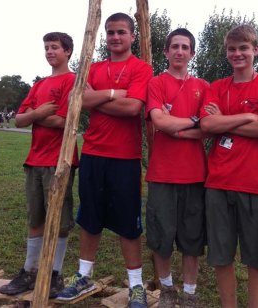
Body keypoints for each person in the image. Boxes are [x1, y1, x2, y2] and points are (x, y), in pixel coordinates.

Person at [55, 13, 153, 307]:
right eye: (110, 32)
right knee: (90, 217)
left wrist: (98, 98)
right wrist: (113, 93)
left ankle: (136, 285)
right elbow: (79, 100)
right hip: (94, 153)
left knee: (128, 223)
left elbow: (133, 107)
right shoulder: (94, 68)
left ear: (133, 36)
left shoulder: (142, 69)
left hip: (125, 157)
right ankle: (84, 276)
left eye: (121, 32)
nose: (115, 37)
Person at [199, 24, 258, 308]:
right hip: (219, 184)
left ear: (255, 50)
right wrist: (248, 115)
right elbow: (208, 124)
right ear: (227, 53)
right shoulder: (217, 87)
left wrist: (227, 119)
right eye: (232, 49)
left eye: (243, 48)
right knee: (221, 257)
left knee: (257, 260)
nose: (238, 54)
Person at [0, 32, 78, 299]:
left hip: (60, 161)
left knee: (60, 219)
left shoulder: (73, 81)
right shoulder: (39, 84)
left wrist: (36, 115)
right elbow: (19, 120)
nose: (49, 52)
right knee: (35, 218)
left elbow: (66, 121)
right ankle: (30, 270)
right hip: (34, 159)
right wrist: (38, 113)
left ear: (68, 51)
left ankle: (54, 274)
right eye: (46, 47)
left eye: (55, 47)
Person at [144, 28, 209, 308]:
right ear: (166, 52)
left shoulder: (204, 87)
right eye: (175, 47)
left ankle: (190, 293)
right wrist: (191, 121)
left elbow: (207, 129)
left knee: (192, 238)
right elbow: (159, 121)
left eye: (185, 47)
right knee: (160, 236)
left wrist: (178, 126)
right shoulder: (156, 83)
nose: (180, 51)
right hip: (161, 174)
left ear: (192, 53)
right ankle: (168, 290)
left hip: (195, 175)